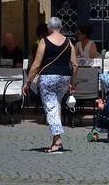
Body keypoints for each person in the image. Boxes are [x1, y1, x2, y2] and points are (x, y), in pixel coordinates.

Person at [23, 16, 77, 154]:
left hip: (48, 78)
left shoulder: (44, 41)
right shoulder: (69, 42)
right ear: (61, 27)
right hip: (65, 77)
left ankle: (57, 142)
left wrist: (28, 82)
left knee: (51, 107)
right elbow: (75, 65)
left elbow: (35, 65)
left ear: (49, 28)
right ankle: (55, 140)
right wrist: (72, 82)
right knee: (56, 105)